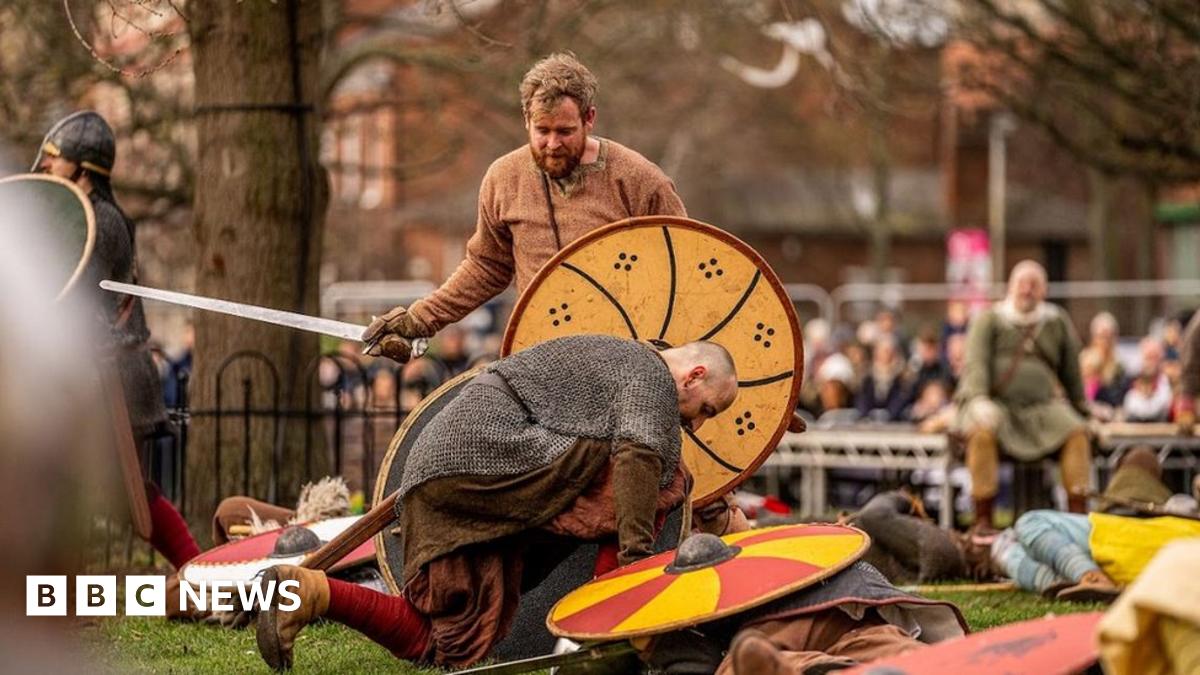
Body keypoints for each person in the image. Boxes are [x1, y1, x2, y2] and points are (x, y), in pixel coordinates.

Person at [253, 335, 738, 670]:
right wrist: (639, 573)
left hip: (448, 482)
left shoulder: (617, 361)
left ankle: (308, 593)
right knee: (665, 472)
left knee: (446, 640)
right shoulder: (649, 375)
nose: (696, 424)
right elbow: (636, 462)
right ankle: (621, 627)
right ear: (694, 376)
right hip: (491, 458)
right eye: (706, 410)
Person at [362, 53, 687, 362]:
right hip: (537, 355)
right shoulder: (504, 179)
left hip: (626, 355)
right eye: (542, 131)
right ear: (526, 120)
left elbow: (682, 269)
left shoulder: (639, 180)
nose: (552, 143)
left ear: (589, 118)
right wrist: (420, 318)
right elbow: (487, 266)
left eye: (565, 131)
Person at [32, 112, 201, 575]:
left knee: (105, 492)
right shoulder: (81, 219)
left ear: (83, 169)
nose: (46, 168)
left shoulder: (99, 223)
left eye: (55, 159)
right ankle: (203, 574)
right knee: (120, 496)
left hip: (111, 376)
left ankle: (204, 575)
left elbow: (69, 302)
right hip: (94, 373)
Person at [954, 260, 1091, 529]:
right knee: (981, 433)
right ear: (1011, 287)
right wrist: (979, 399)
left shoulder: (1056, 320)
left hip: (1042, 408)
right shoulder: (989, 319)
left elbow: (1071, 370)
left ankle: (1078, 518)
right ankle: (983, 521)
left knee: (1077, 433)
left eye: (1034, 284)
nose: (1027, 290)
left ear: (1044, 290)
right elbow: (976, 362)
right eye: (1022, 283)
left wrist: (1082, 408)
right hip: (997, 406)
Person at [855, 334, 912, 422]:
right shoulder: (867, 377)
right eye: (883, 351)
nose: (886, 356)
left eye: (889, 352)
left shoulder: (902, 378)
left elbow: (901, 401)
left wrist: (889, 417)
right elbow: (862, 400)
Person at [1121, 337, 1172, 422]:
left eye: (1155, 357)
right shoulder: (1129, 381)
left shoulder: (1169, 381)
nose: (1152, 362)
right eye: (1149, 357)